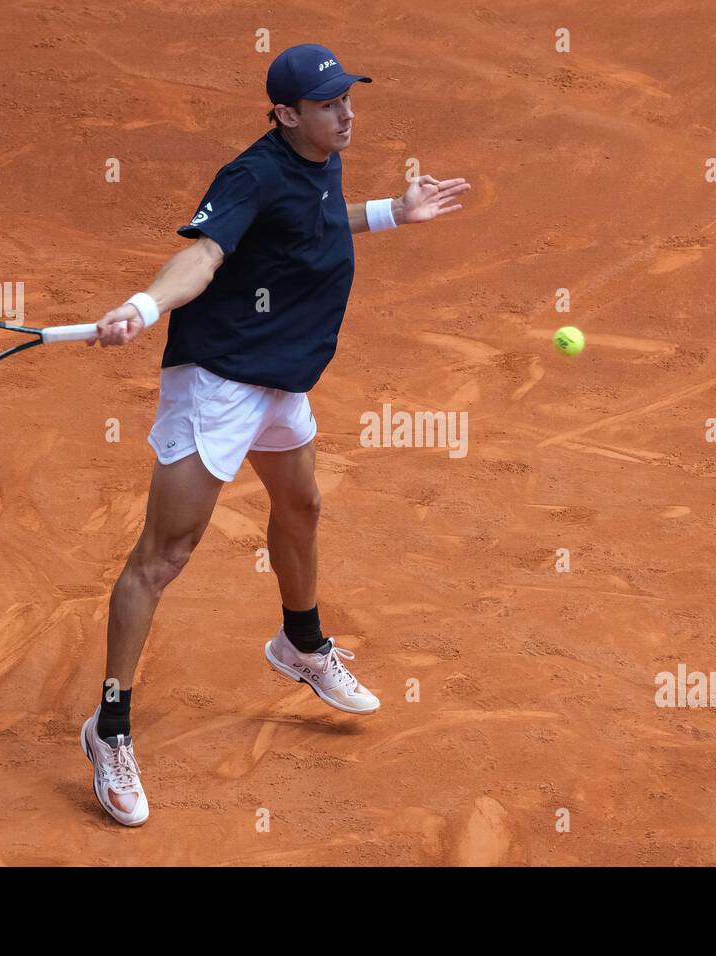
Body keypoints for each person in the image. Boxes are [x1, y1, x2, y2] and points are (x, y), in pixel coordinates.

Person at [77, 43, 471, 826]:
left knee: (301, 508)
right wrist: (145, 306)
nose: (346, 113)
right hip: (219, 382)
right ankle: (109, 729)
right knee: (164, 556)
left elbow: (316, 225)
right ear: (287, 114)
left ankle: (301, 645)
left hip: (282, 380)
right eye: (328, 105)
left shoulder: (317, 159)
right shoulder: (252, 174)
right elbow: (204, 256)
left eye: (347, 99)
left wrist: (396, 211)